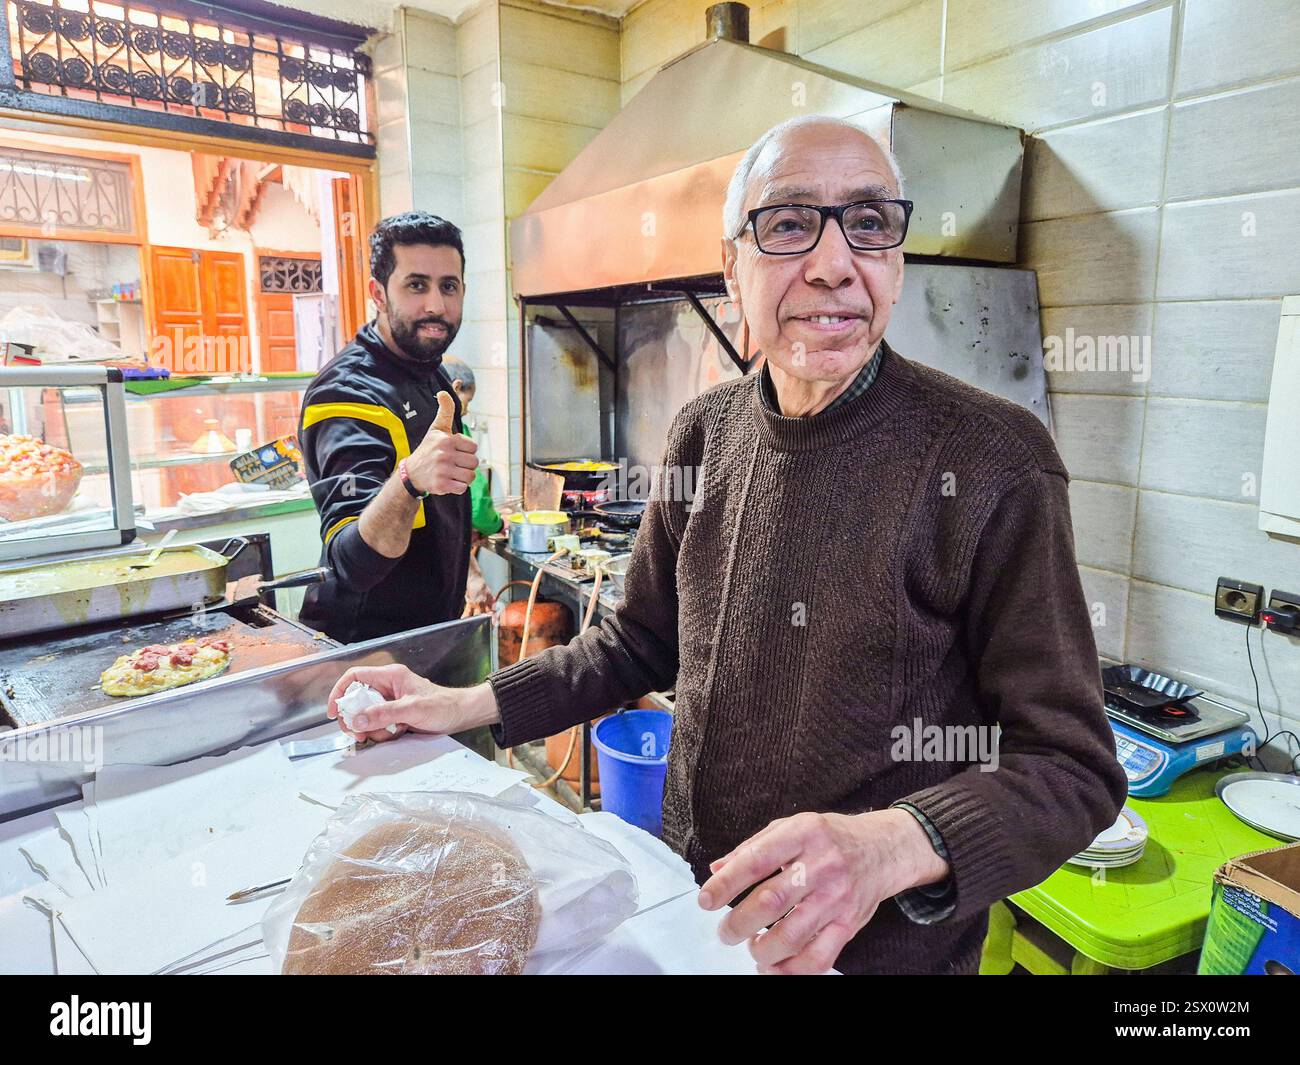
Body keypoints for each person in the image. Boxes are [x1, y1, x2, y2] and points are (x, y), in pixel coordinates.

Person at [325, 117, 1127, 975]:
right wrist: (461, 702)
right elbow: (637, 642)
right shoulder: (705, 433)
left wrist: (893, 844)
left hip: (876, 957)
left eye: (868, 223)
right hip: (696, 919)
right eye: (786, 225)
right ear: (732, 268)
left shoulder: (993, 459)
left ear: (895, 258)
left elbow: (1070, 765)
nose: (831, 262)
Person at [297, 211, 493, 642]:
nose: (436, 306)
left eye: (449, 286)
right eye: (416, 285)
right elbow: (353, 563)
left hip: (423, 637)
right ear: (379, 294)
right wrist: (408, 480)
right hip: (360, 649)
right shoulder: (346, 394)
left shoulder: (430, 372)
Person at [442, 359, 503, 616]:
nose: (466, 410)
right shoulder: (455, 431)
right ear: (456, 388)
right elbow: (477, 503)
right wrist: (496, 525)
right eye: (468, 400)